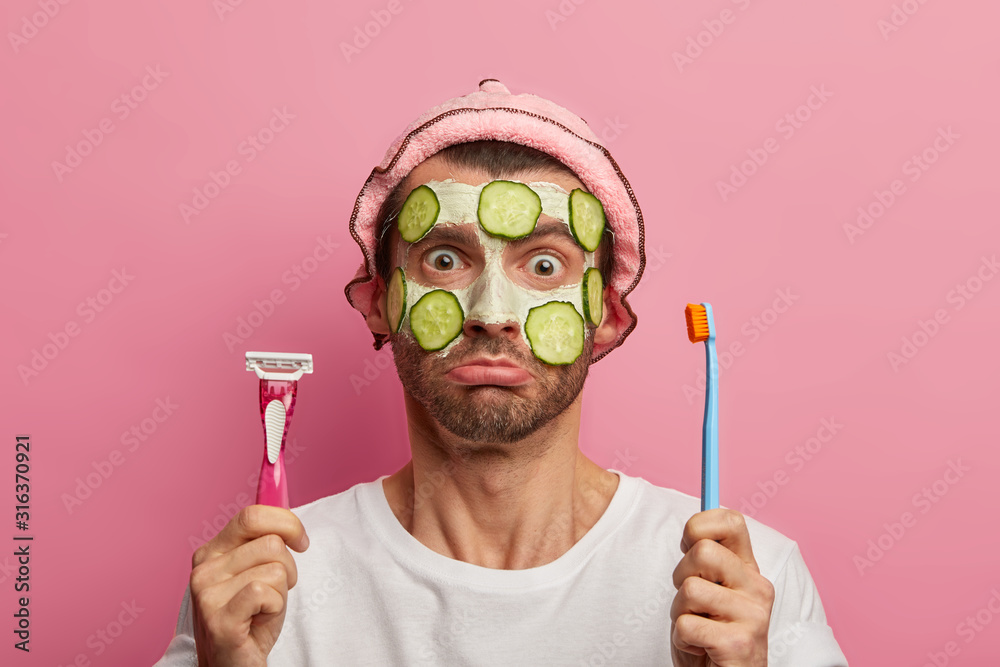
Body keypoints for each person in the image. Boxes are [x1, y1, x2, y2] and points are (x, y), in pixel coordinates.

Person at [155, 79, 848, 666]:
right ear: (376, 303)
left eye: (544, 265)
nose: (491, 312)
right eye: (445, 260)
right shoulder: (256, 589)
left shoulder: (748, 586)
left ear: (605, 314)